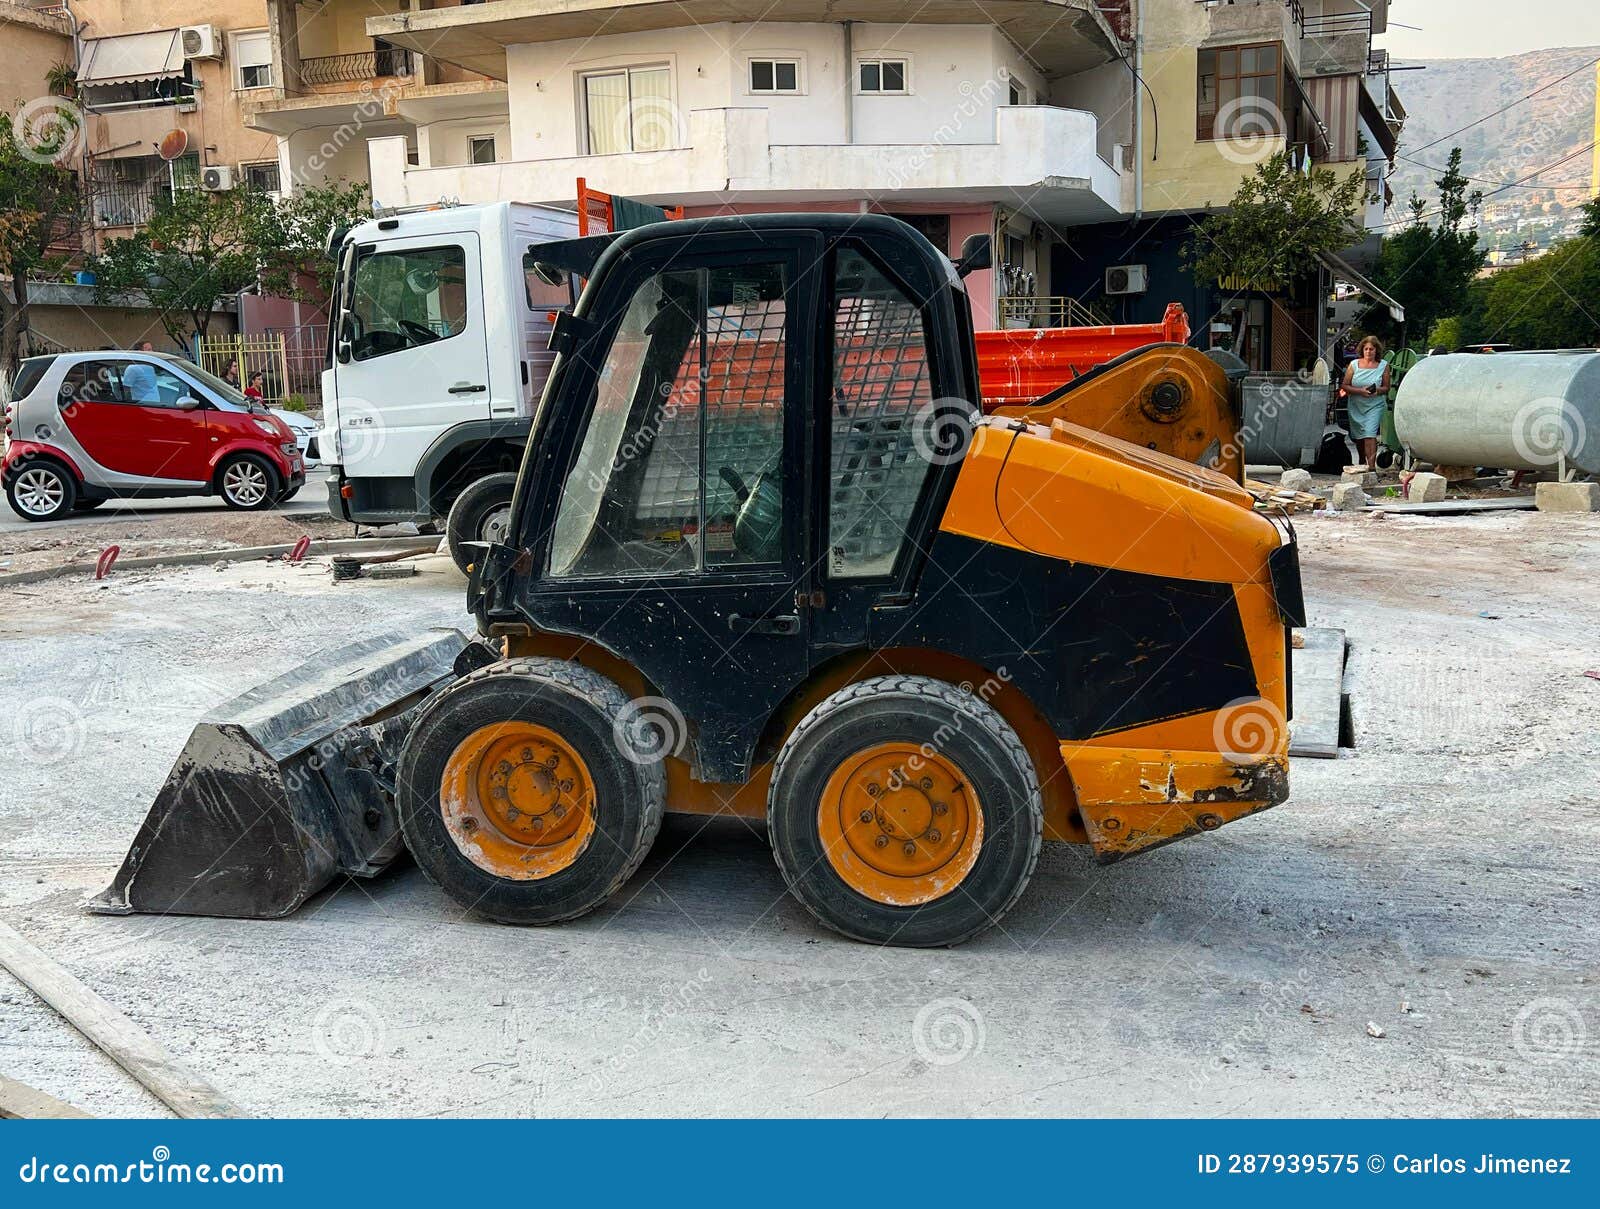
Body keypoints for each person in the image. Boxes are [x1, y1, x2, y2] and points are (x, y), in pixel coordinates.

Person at [1342, 335, 1391, 471]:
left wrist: (1377, 390)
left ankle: (1371, 467)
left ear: (1377, 351)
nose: (1369, 352)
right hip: (1356, 404)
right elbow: (1345, 385)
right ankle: (1361, 459)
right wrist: (1359, 391)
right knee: (1359, 436)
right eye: (1366, 349)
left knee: (1370, 433)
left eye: (1372, 349)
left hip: (1374, 405)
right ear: (1362, 350)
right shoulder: (1354, 365)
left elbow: (1387, 387)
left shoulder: (1383, 365)